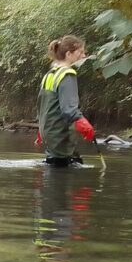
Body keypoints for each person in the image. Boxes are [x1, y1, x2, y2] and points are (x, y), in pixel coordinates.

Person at [36, 35, 95, 167]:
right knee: (62, 173)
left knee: (55, 167)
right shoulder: (67, 74)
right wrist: (83, 123)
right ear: (69, 54)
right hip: (61, 134)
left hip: (49, 133)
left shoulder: (50, 74)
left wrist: (41, 129)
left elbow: (42, 105)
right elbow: (69, 110)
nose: (84, 55)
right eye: (80, 52)